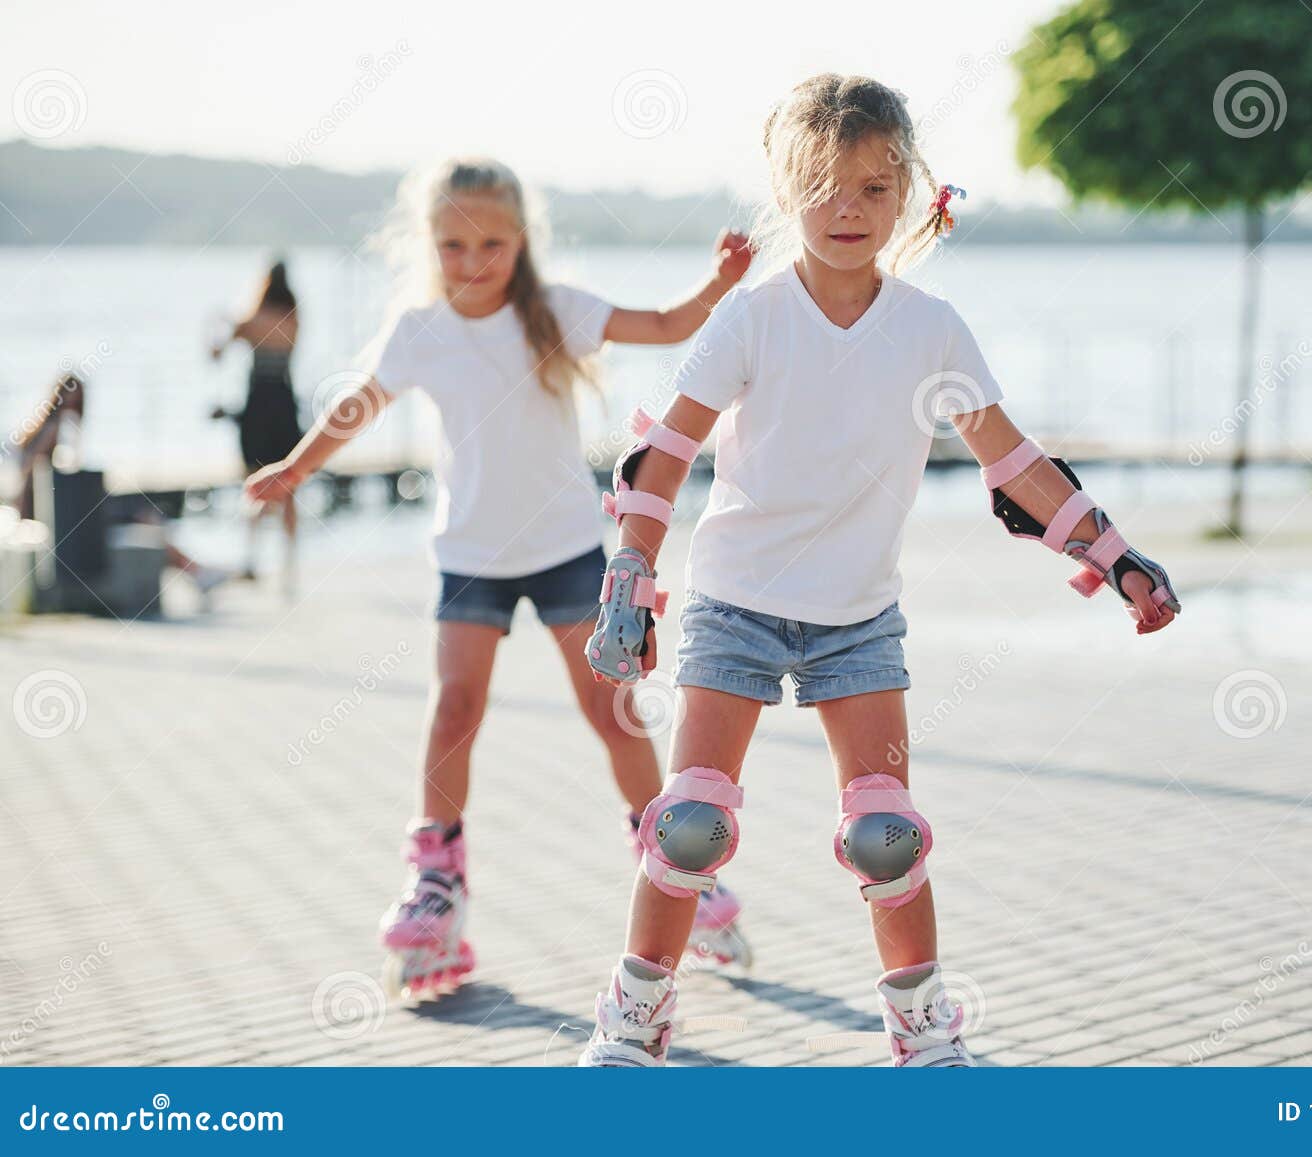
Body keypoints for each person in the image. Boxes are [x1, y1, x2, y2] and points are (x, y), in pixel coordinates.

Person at [579, 74, 1181, 1067]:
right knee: (688, 822)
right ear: (782, 193)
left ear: (908, 193)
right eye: (821, 186)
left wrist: (1113, 555)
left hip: (857, 615)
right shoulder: (751, 317)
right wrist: (630, 579)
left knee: (886, 833)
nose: (846, 209)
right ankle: (633, 1017)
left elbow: (1014, 462)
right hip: (734, 602)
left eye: (871, 187)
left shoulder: (929, 328)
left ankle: (921, 1030)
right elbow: (660, 453)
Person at [243, 157, 755, 999]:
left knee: (611, 706)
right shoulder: (419, 329)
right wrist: (295, 469)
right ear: (426, 244)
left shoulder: (553, 311)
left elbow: (664, 325)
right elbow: (356, 406)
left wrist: (719, 281)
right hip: (469, 554)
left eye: (492, 242)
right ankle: (435, 874)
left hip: (563, 546)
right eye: (453, 243)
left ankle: (676, 863)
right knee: (455, 707)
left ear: (522, 241)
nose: (473, 259)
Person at [9, 372, 229, 605]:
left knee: (147, 519)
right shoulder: (53, 429)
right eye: (69, 400)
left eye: (77, 401)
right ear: (58, 399)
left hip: (69, 510)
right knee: (145, 518)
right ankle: (196, 573)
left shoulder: (49, 429)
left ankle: (196, 572)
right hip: (56, 515)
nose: (73, 407)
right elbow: (40, 472)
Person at [211, 259, 303, 592]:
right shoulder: (294, 319)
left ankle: (250, 559)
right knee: (289, 485)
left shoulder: (251, 321)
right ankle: (289, 563)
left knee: (253, 482)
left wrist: (223, 321)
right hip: (285, 404)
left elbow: (215, 353)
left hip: (257, 408)